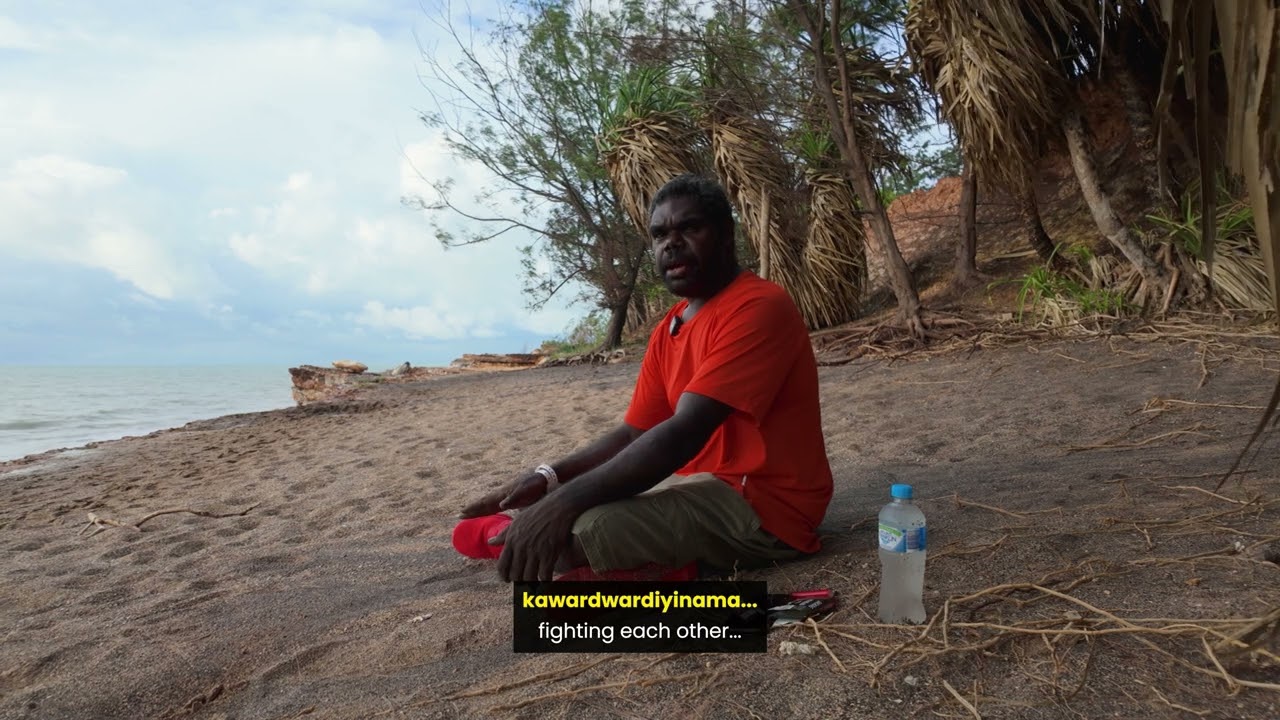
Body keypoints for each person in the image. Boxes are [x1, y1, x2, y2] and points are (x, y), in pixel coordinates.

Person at [455, 174, 834, 583]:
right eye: (659, 234)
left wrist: (560, 505)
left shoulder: (758, 307)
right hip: (700, 486)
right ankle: (638, 556)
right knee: (567, 513)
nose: (671, 243)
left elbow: (684, 432)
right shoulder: (669, 327)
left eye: (689, 228)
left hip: (765, 509)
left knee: (578, 533)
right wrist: (550, 478)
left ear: (726, 235)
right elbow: (635, 433)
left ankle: (518, 539)